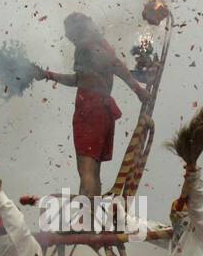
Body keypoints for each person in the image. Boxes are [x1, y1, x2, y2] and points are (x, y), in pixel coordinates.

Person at [39, 12, 150, 196]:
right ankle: (93, 217)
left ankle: (88, 218)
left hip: (90, 110)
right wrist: (48, 75)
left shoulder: (87, 45)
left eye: (69, 32)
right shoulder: (97, 45)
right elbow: (81, 79)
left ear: (78, 29)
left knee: (86, 171)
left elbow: (114, 64)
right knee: (93, 172)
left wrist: (137, 90)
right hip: (100, 109)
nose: (68, 37)